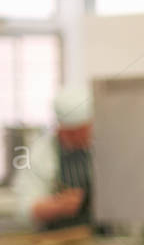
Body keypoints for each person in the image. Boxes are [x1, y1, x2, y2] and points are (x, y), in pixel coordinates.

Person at [13, 86, 95, 230]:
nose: (79, 138)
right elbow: (23, 210)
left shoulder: (107, 148)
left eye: (83, 131)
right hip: (58, 240)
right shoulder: (39, 153)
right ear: (59, 128)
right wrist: (57, 207)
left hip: (104, 239)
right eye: (71, 133)